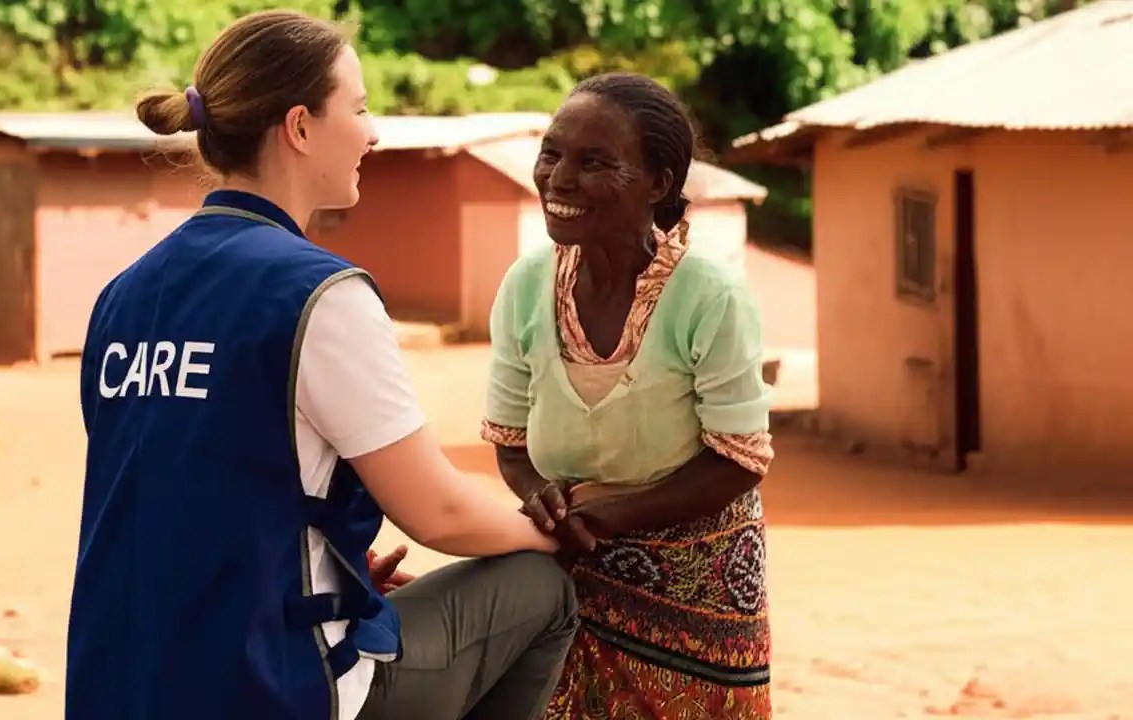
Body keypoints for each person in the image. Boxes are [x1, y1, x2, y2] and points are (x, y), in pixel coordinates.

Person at [65, 10, 577, 720]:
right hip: (267, 689)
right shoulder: (319, 294)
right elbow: (437, 511)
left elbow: (180, 492)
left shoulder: (123, 295)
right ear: (301, 127)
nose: (374, 132)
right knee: (540, 588)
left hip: (122, 688)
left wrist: (331, 565)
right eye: (361, 109)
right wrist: (551, 536)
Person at [481, 73, 775, 719]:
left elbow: (739, 457)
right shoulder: (526, 284)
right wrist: (541, 496)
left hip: (698, 579)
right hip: (568, 570)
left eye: (595, 163)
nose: (558, 179)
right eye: (552, 153)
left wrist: (607, 517)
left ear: (660, 183)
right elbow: (508, 442)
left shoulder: (710, 296)